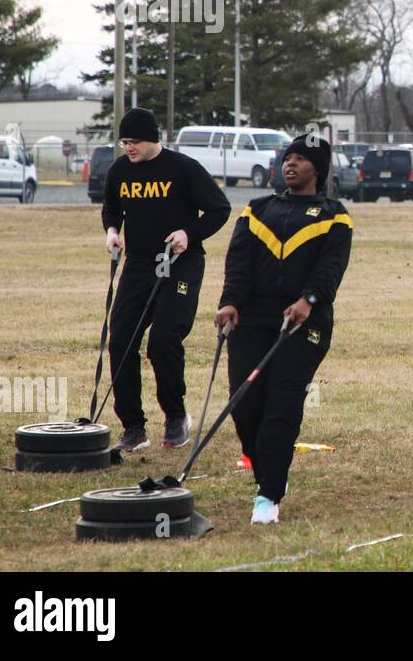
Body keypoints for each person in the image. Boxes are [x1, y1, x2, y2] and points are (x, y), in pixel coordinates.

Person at [214, 134, 352, 525]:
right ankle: (269, 474)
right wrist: (229, 302)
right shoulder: (256, 211)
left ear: (317, 170)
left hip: (303, 323)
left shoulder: (334, 216)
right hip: (252, 320)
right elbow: (238, 263)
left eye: (300, 159)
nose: (290, 164)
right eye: (287, 158)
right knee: (245, 406)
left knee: (281, 407)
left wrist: (308, 300)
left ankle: (268, 495)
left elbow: (331, 268)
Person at [101, 107, 231, 452]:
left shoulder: (183, 168)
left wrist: (189, 233)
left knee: (163, 340)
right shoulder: (120, 171)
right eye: (124, 141)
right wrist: (112, 231)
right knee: (121, 342)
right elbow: (111, 208)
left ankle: (176, 415)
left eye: (136, 142)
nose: (129, 148)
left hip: (180, 264)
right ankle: (133, 427)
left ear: (153, 139)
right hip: (139, 265)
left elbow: (220, 209)